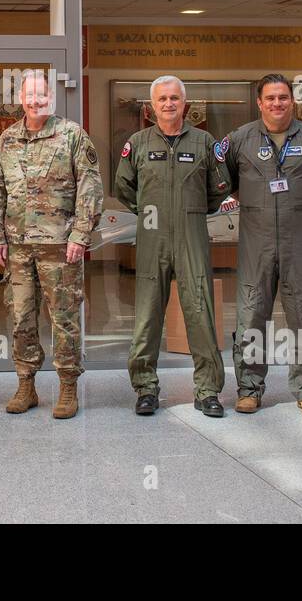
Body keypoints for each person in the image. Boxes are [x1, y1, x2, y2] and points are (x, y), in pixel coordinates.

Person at [217, 73, 302, 416]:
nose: (277, 103)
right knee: (250, 316)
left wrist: (300, 199)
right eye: (270, 98)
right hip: (255, 243)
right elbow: (220, 180)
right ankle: (249, 389)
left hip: (299, 243)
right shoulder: (240, 139)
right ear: (259, 102)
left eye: (283, 97)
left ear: (293, 101)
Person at [0, 70, 103, 419]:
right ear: (21, 99)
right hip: (19, 248)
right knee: (21, 317)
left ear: (51, 97)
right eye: (29, 96)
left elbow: (90, 187)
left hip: (60, 246)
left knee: (64, 319)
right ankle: (26, 385)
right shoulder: (7, 140)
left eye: (41, 95)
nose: (35, 101)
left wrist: (80, 236)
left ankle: (68, 387)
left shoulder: (72, 136)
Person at [114, 76, 228, 417]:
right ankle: (145, 388)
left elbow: (219, 187)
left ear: (185, 104)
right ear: (151, 106)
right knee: (147, 315)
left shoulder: (205, 142)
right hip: (152, 236)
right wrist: (150, 211)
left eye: (174, 98)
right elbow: (123, 186)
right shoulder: (137, 143)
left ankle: (207, 390)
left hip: (192, 235)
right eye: (162, 98)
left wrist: (191, 211)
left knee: (200, 312)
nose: (168, 104)